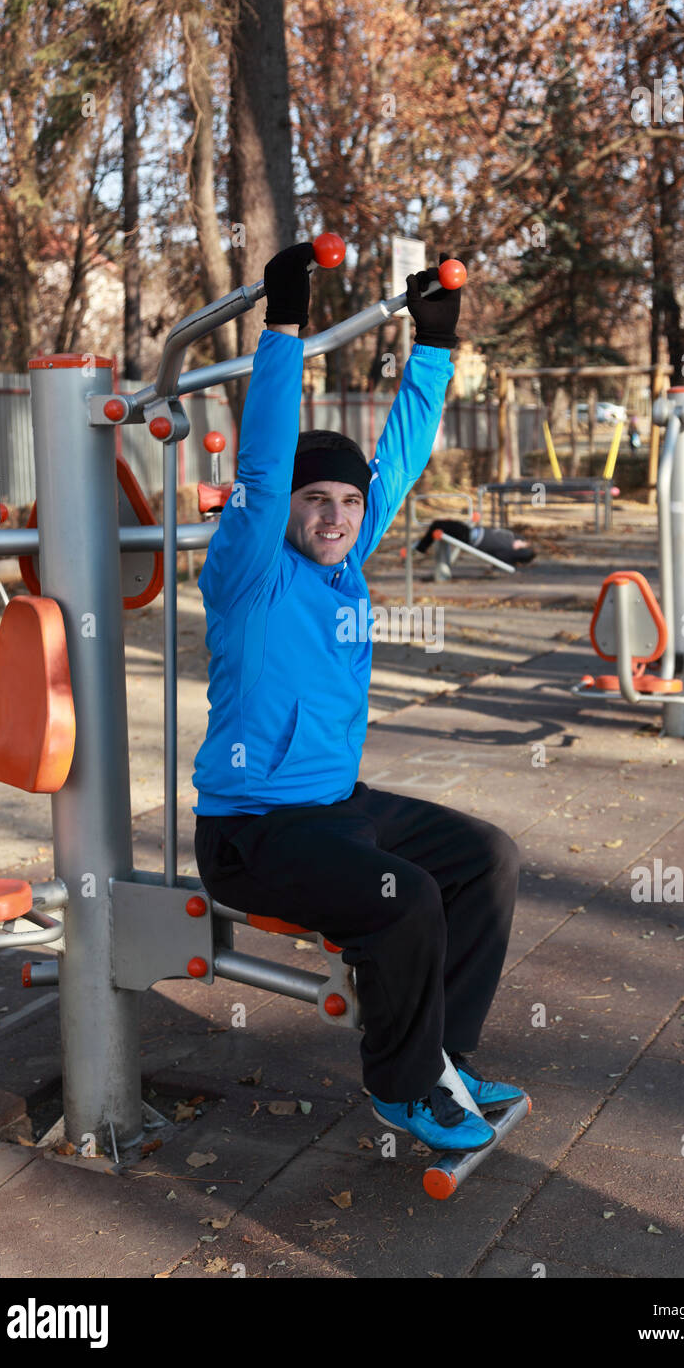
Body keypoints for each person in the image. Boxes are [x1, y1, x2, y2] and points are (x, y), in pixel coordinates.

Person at [192, 243, 523, 1154]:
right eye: (316, 502)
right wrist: (286, 329)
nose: (335, 515)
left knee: (485, 856)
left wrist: (436, 341)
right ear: (285, 512)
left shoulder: (345, 563)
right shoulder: (254, 571)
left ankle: (444, 1061)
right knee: (405, 897)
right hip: (254, 831)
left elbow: (401, 457)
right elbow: (262, 469)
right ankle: (401, 1089)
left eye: (347, 501)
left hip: (337, 809)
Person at [415, 517, 534, 566]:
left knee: (437, 525)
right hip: (470, 530)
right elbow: (521, 538)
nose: (520, 543)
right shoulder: (513, 537)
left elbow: (500, 557)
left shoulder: (507, 551)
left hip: (468, 537)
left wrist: (515, 549)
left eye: (521, 546)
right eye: (523, 543)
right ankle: (421, 547)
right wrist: (521, 543)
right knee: (439, 524)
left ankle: (421, 548)